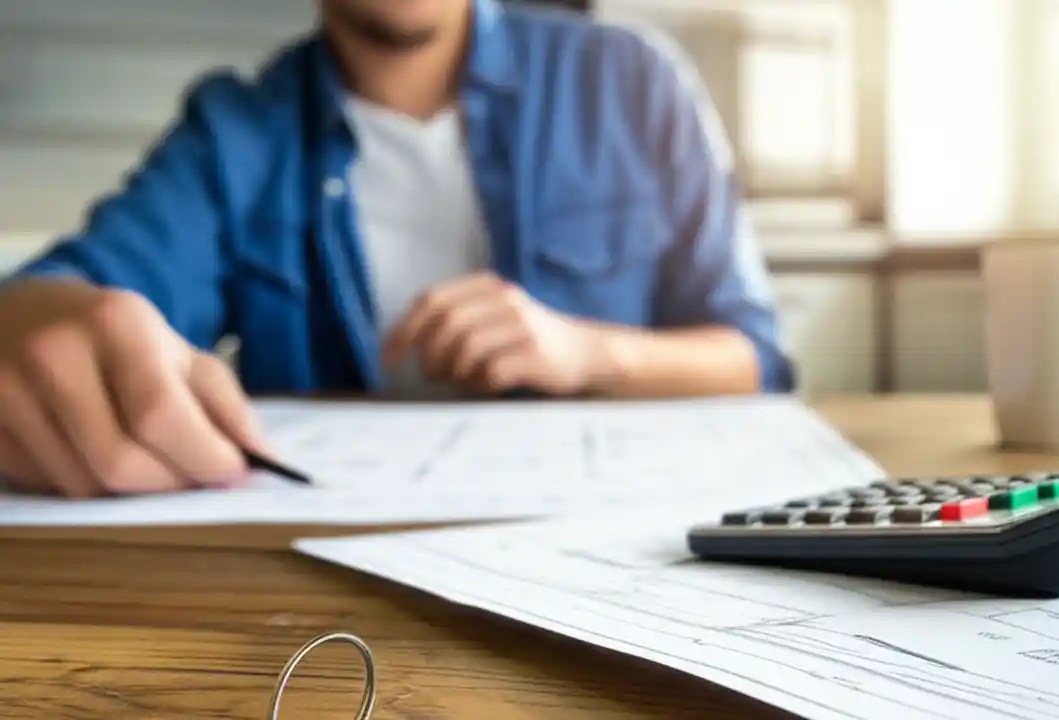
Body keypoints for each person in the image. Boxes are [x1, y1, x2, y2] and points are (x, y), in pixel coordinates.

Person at [0, 0, 791, 498]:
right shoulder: (233, 133)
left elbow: (756, 359)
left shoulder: (630, 79)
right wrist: (37, 326)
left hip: (627, 546)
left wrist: (588, 354)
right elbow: (65, 297)